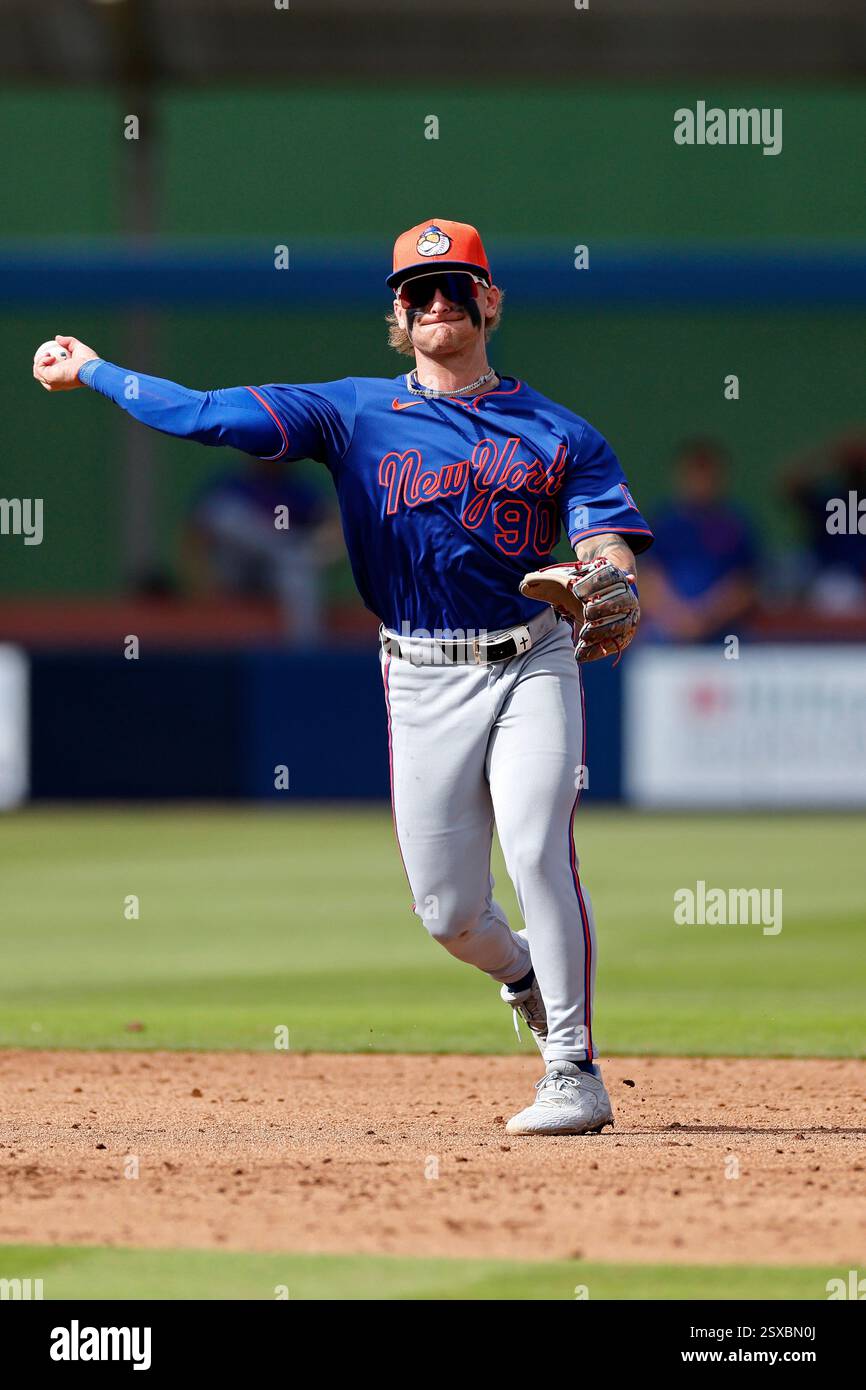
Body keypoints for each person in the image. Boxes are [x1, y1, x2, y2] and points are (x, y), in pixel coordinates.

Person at [33, 218, 653, 1136]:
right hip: (420, 671)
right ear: (399, 316)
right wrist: (95, 368)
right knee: (449, 913)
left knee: (535, 850)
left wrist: (606, 575)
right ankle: (521, 973)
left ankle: (573, 1068)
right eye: (418, 292)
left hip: (532, 658)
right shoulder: (349, 411)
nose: (437, 302)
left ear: (489, 300)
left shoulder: (560, 431)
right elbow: (204, 414)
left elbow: (607, 543)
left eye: (455, 286)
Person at [183, 454, 336, 641]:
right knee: (225, 514)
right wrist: (201, 585)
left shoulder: (300, 486)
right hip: (236, 569)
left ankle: (305, 657)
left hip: (276, 575)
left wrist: (315, 555)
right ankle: (283, 549)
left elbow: (333, 531)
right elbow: (195, 538)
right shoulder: (231, 483)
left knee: (297, 570)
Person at [640, 439, 757, 643]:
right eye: (694, 474)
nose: (701, 482)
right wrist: (677, 617)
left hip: (722, 631)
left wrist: (706, 617)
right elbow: (646, 578)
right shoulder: (663, 522)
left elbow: (747, 585)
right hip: (667, 630)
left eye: (707, 475)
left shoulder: (737, 524)